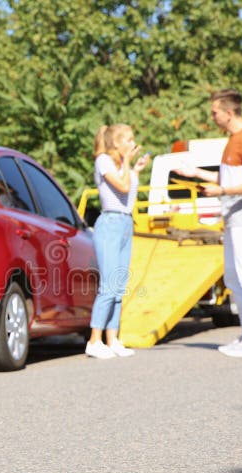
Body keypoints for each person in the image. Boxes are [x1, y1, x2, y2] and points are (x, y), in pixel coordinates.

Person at [175, 89, 242, 357]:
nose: (212, 115)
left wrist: (223, 192)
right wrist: (196, 174)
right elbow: (229, 180)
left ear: (229, 113)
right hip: (233, 220)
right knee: (233, 276)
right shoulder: (232, 140)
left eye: (215, 111)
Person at [86, 124, 150, 359]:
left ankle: (112, 339)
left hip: (125, 222)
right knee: (109, 284)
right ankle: (94, 340)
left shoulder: (121, 165)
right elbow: (121, 186)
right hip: (110, 224)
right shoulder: (104, 160)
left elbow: (128, 195)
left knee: (119, 286)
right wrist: (127, 162)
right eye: (129, 140)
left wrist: (136, 169)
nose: (133, 144)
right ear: (117, 144)